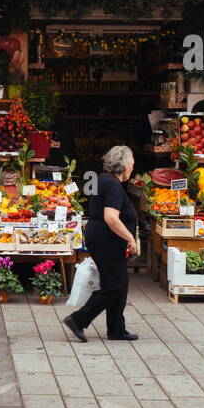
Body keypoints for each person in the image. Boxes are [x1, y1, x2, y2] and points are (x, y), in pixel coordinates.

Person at [62, 144, 139, 343]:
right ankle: (78, 320)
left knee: (120, 285)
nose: (133, 167)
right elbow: (111, 217)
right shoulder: (112, 185)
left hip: (104, 239)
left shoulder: (102, 180)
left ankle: (116, 329)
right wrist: (130, 238)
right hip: (108, 241)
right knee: (113, 286)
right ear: (123, 165)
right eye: (131, 163)